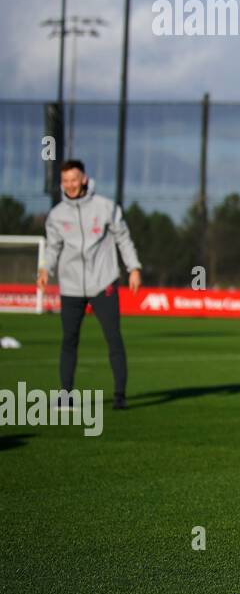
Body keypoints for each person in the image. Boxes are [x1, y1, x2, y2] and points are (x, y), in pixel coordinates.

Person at [36, 160, 142, 411]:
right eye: (65, 181)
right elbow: (52, 247)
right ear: (62, 183)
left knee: (113, 338)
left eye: (74, 179)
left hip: (103, 282)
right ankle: (65, 395)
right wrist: (44, 269)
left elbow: (123, 238)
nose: (70, 185)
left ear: (84, 179)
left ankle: (119, 395)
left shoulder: (105, 207)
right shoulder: (57, 215)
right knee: (69, 340)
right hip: (71, 285)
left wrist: (134, 268)